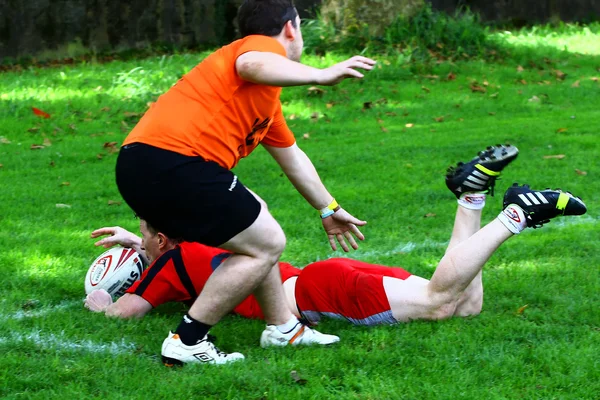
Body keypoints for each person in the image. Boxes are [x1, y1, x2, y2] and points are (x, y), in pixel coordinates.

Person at [88, 145, 587, 357]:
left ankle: (516, 214)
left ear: (161, 241)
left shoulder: (171, 264)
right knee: (464, 305)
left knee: (440, 302)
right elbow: (175, 247)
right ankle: (473, 195)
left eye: (142, 236)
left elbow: (126, 310)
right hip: (324, 278)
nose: (139, 251)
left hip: (318, 293)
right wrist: (138, 242)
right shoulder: (205, 240)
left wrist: (97, 298)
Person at [114, 0, 377, 365]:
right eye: (299, 26)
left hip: (143, 165)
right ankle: (187, 340)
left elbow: (293, 158)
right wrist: (320, 74)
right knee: (267, 242)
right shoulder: (256, 48)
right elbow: (251, 63)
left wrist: (328, 208)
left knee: (257, 220)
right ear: (290, 29)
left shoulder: (264, 100)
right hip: (172, 162)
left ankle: (284, 328)